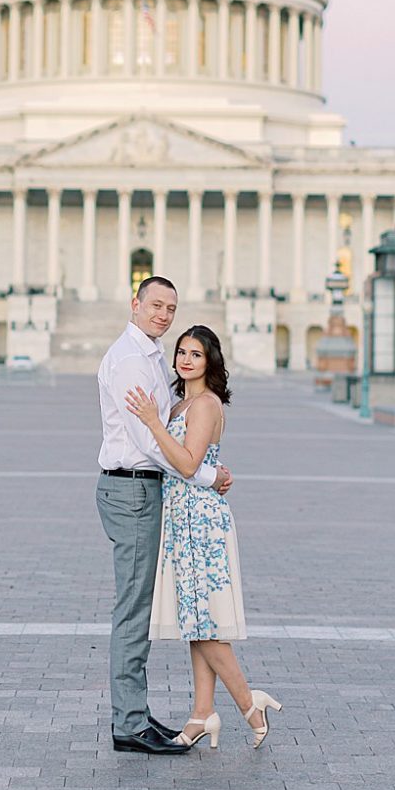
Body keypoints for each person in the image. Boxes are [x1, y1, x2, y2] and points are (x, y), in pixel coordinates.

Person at [94, 276, 234, 755]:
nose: (163, 314)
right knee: (132, 610)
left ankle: (135, 713)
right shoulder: (132, 359)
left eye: (170, 308)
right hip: (132, 490)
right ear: (134, 304)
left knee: (137, 607)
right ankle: (129, 724)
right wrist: (205, 476)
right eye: (155, 304)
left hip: (144, 491)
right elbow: (146, 441)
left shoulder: (150, 356)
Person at [129, 324, 283, 750]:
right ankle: (201, 714)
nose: (185, 359)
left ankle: (251, 704)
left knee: (207, 624)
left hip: (200, 521)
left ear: (210, 362)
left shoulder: (204, 405)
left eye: (196, 354)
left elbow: (186, 462)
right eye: (181, 351)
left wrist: (152, 423)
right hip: (183, 517)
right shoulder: (182, 406)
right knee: (195, 623)